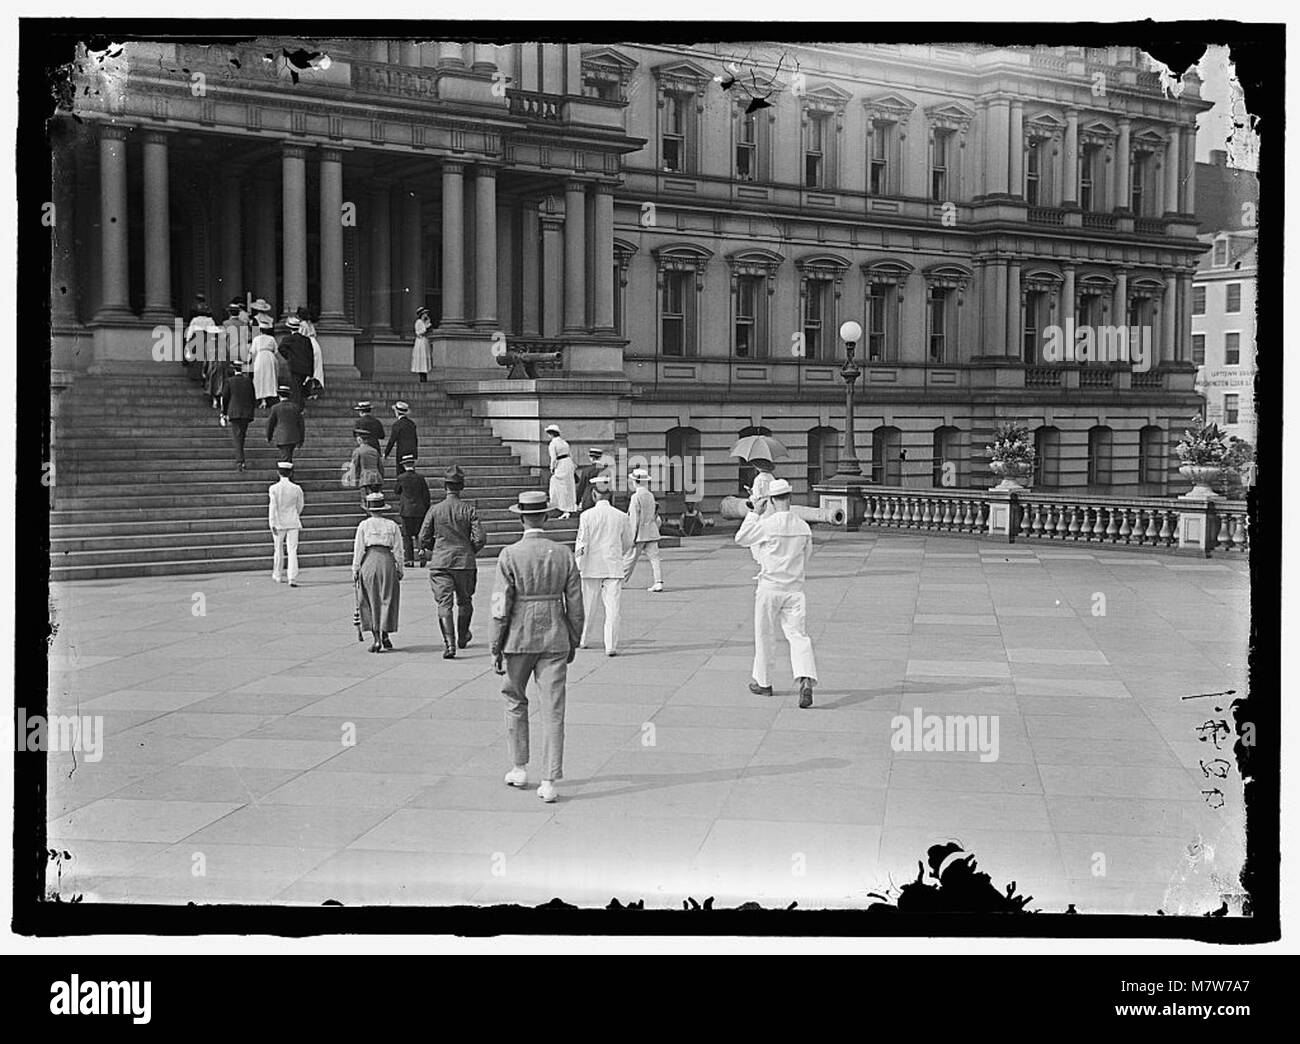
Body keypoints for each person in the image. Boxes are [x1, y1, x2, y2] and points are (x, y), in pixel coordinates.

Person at [490, 490, 584, 803]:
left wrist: (495, 645)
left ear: (520, 517)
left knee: (514, 698)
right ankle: (549, 780)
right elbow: (575, 602)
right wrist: (573, 637)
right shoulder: (563, 553)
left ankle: (519, 767)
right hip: (554, 634)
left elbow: (500, 606)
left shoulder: (509, 554)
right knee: (554, 708)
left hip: (518, 636)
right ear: (546, 516)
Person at [734, 477, 818, 709]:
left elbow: (741, 538)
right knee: (799, 636)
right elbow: (806, 557)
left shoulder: (768, 525)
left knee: (764, 635)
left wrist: (754, 513)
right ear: (789, 498)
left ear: (771, 500)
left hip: (770, 587)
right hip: (794, 589)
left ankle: (764, 682)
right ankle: (805, 678)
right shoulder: (803, 527)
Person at [420, 464, 487, 658]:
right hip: (464, 562)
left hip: (441, 562)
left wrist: (436, 550)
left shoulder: (435, 509)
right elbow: (480, 538)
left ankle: (449, 644)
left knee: (444, 603)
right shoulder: (469, 510)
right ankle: (463, 636)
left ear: (445, 486)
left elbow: (423, 536)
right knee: (465, 601)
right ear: (462, 486)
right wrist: (469, 550)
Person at [574, 474, 633, 656]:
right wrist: (618, 554)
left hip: (591, 566)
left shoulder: (586, 516)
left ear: (593, 494)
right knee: (613, 608)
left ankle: (583, 639)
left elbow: (582, 544)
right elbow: (628, 542)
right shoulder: (621, 516)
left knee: (588, 606)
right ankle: (611, 645)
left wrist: (579, 564)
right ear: (611, 495)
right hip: (613, 565)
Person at [352, 491, 404, 653]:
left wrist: (355, 568)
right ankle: (385, 633)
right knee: (387, 597)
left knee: (370, 599)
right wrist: (400, 568)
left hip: (369, 560)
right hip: (387, 561)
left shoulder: (364, 525)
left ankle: (376, 639)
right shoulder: (392, 525)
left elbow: (359, 549)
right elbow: (398, 549)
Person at [623, 467, 664, 592]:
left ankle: (618, 580)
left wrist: (632, 536)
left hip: (640, 533)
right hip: (651, 531)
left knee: (630, 559)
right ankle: (658, 581)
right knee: (655, 558)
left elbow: (634, 519)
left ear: (635, 482)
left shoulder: (636, 497)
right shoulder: (650, 495)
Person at [268, 461, 304, 587]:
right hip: (293, 521)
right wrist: (295, 514)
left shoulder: (273, 488)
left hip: (279, 522)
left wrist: (272, 522)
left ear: (278, 473)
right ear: (291, 473)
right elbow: (300, 505)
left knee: (278, 549)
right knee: (292, 550)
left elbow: (272, 507)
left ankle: (278, 574)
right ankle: (292, 577)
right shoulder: (297, 488)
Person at [394, 455, 431, 567]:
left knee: (407, 535)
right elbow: (426, 495)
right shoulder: (420, 478)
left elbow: (396, 490)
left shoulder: (401, 478)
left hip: (406, 510)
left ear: (404, 465)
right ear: (413, 464)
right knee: (420, 534)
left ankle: (409, 559)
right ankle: (422, 555)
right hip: (419, 510)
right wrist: (426, 508)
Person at [220, 363, 256, 471]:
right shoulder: (248, 381)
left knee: (237, 437)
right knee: (241, 435)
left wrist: (224, 413)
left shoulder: (229, 381)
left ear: (234, 370)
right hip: (246, 413)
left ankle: (240, 461)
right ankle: (241, 459)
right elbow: (252, 397)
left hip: (234, 412)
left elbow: (225, 398)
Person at [278, 314, 315, 407]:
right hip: (306, 367)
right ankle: (300, 406)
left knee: (296, 388)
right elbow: (311, 355)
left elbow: (281, 348)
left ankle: (298, 407)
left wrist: (289, 357)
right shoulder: (306, 340)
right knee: (300, 388)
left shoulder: (288, 339)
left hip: (295, 366)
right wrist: (311, 372)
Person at [266, 385, 305, 463]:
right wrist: (301, 439)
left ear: (279, 395)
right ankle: (288, 472)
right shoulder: (295, 407)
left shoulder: (275, 408)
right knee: (288, 457)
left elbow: (270, 424)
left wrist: (269, 436)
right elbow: (301, 425)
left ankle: (286, 473)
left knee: (285, 458)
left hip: (282, 437)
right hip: (294, 437)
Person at [545, 424, 576, 518]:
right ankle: (567, 506)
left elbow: (553, 458)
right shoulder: (564, 442)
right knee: (568, 486)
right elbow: (570, 455)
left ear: (551, 434)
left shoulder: (553, 444)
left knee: (558, 485)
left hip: (561, 464)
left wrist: (552, 468)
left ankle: (561, 506)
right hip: (568, 463)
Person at [251, 314, 279, 407]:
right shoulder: (271, 338)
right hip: (269, 357)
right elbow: (275, 350)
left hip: (260, 357)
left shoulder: (256, 339)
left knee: (260, 377)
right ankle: (267, 397)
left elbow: (253, 351)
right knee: (269, 376)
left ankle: (263, 399)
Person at [297, 306, 324, 400]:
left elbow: (301, 335)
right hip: (315, 344)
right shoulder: (310, 324)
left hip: (308, 344)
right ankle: (312, 389)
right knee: (314, 369)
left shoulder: (302, 324)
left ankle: (308, 391)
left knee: (309, 369)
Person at [348, 429, 384, 494]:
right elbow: (380, 466)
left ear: (360, 439)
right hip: (377, 478)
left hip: (365, 479)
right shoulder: (374, 450)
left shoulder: (358, 451)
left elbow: (354, 465)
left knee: (366, 500)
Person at [575, 447, 609, 513]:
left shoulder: (586, 471)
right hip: (604, 501)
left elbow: (581, 488)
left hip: (588, 501)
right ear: (600, 457)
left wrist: (577, 502)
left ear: (592, 458)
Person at [411, 306, 432, 382]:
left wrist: (427, 324)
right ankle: (422, 376)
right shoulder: (419, 322)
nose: (426, 315)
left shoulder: (425, 322)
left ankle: (424, 375)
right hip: (420, 341)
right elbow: (420, 332)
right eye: (425, 313)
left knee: (425, 357)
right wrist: (427, 326)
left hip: (425, 341)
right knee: (421, 357)